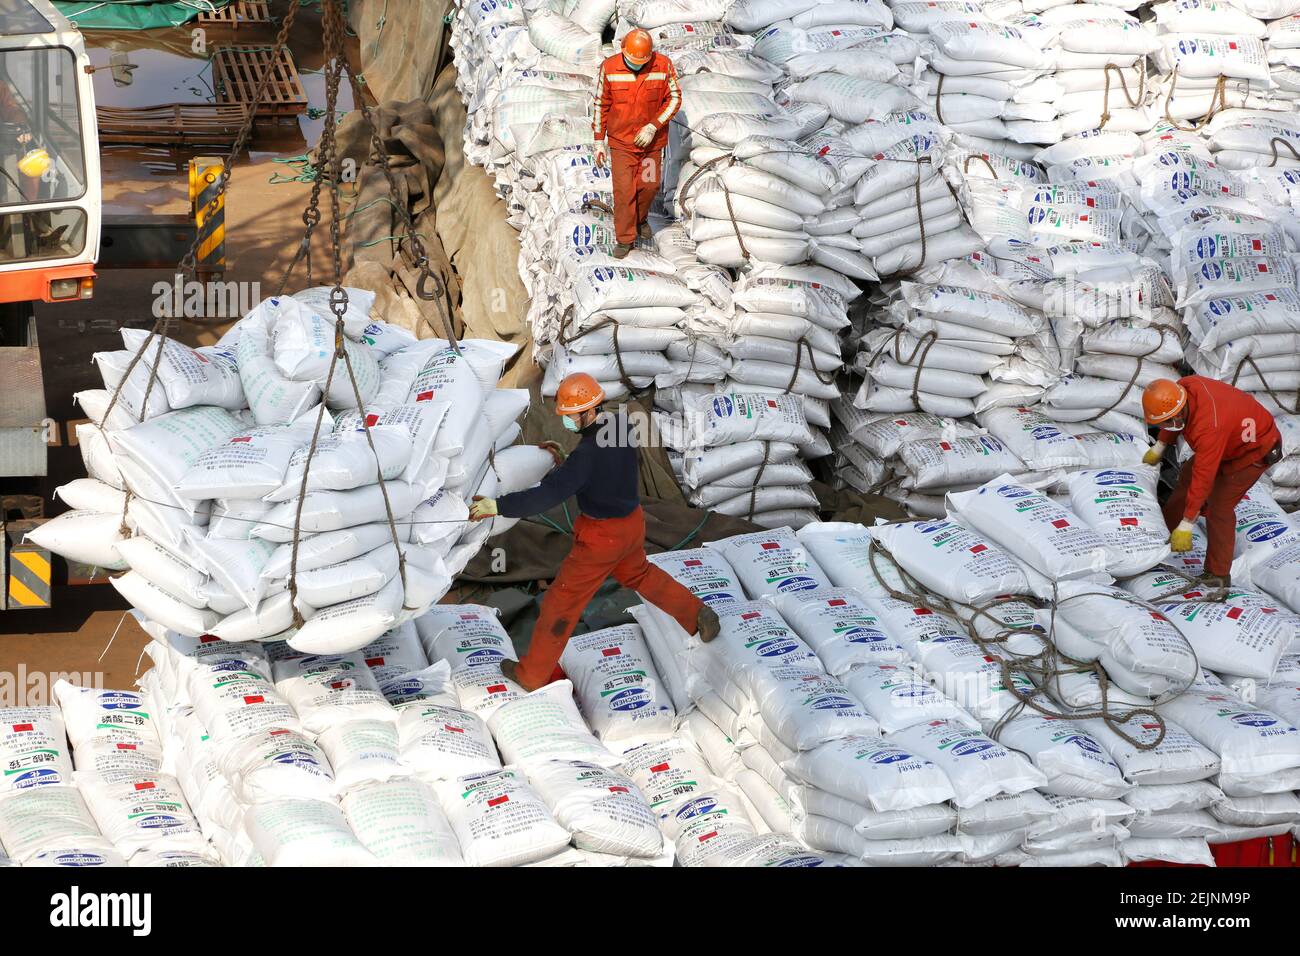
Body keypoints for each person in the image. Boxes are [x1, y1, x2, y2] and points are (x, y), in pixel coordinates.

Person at [468, 372, 719, 690]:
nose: (566, 421)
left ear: (586, 411)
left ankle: (531, 674)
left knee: (561, 603)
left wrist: (497, 506)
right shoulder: (619, 425)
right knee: (641, 575)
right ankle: (698, 614)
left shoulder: (585, 458)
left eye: (570, 416)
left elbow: (548, 495)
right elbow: (599, 467)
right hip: (631, 523)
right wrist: (566, 460)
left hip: (603, 538)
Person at [1141, 376, 1283, 588]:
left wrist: (1188, 523)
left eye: (1168, 422)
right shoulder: (1184, 389)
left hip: (1254, 451)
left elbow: (1204, 476)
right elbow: (1173, 422)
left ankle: (1218, 575)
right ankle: (1166, 531)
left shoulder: (1208, 426)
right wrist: (1161, 444)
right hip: (1228, 441)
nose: (1167, 425)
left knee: (1220, 507)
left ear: (1179, 412)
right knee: (1187, 477)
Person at [592, 28, 681, 259]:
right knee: (624, 191)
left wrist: (653, 126)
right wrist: (599, 140)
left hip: (652, 144)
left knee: (649, 185)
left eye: (642, 62)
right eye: (633, 61)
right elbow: (600, 104)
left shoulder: (662, 66)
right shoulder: (609, 68)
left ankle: (640, 218)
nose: (637, 66)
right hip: (622, 144)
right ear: (622, 50)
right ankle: (625, 238)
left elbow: (674, 98)